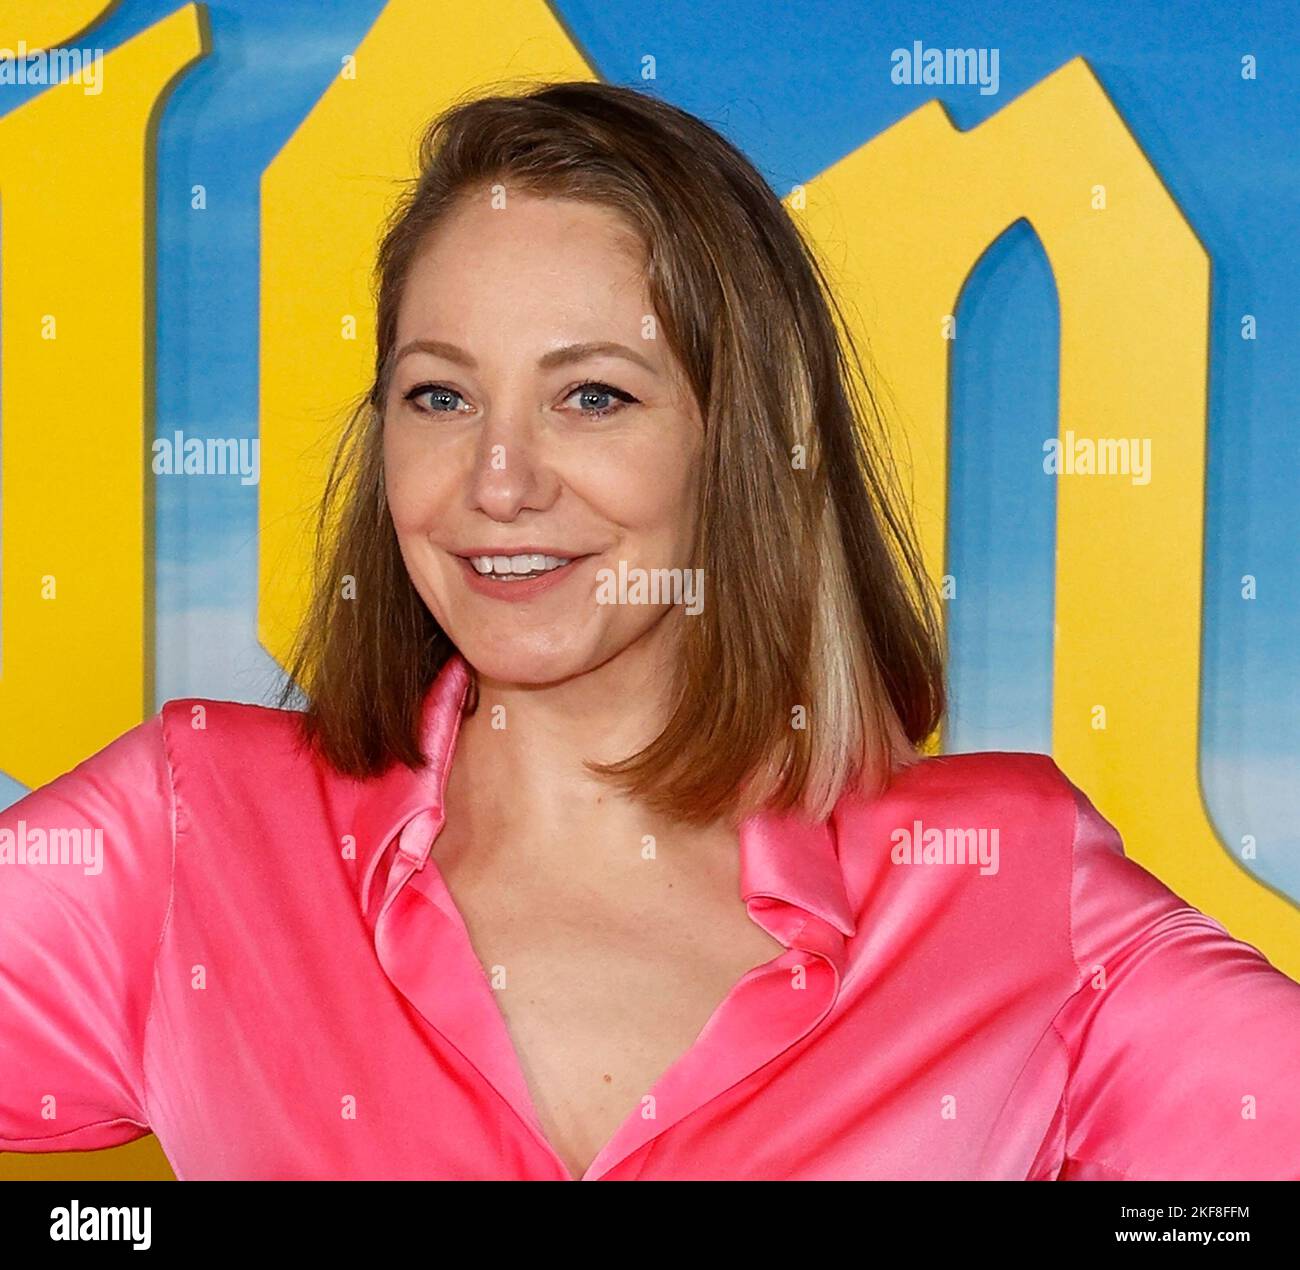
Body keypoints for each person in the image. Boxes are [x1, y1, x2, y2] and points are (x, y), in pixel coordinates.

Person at [2, 80, 1298, 1182]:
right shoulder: (190, 834)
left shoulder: (1010, 885)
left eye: (594, 395)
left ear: (743, 445)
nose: (498, 479)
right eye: (440, 393)